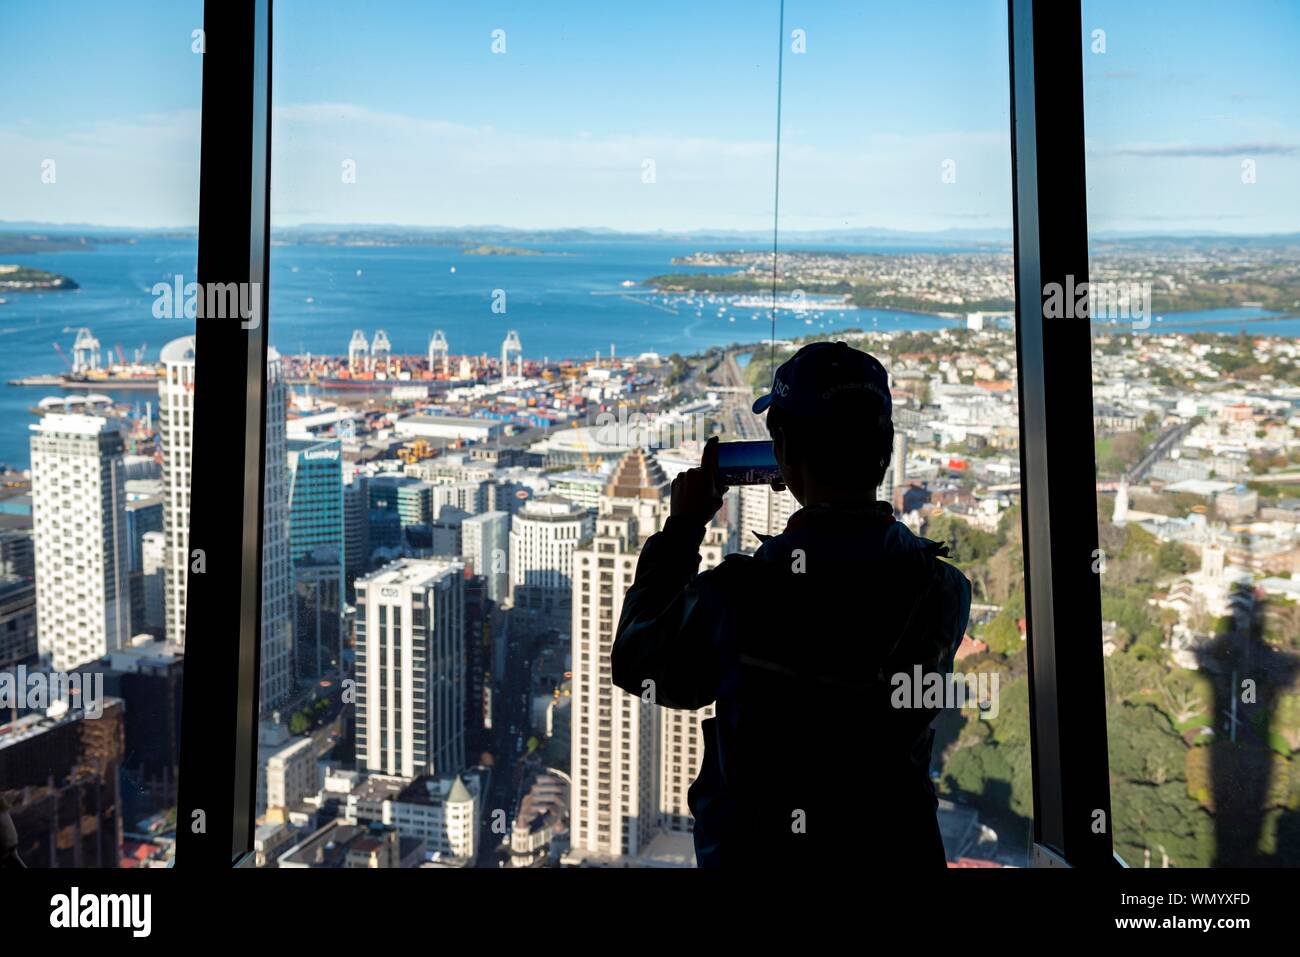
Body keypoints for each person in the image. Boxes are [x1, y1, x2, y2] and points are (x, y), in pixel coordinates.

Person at [612, 340, 971, 868]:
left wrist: (683, 528)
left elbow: (638, 660)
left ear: (782, 451)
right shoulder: (945, 590)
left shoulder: (742, 595)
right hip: (896, 855)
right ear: (887, 450)